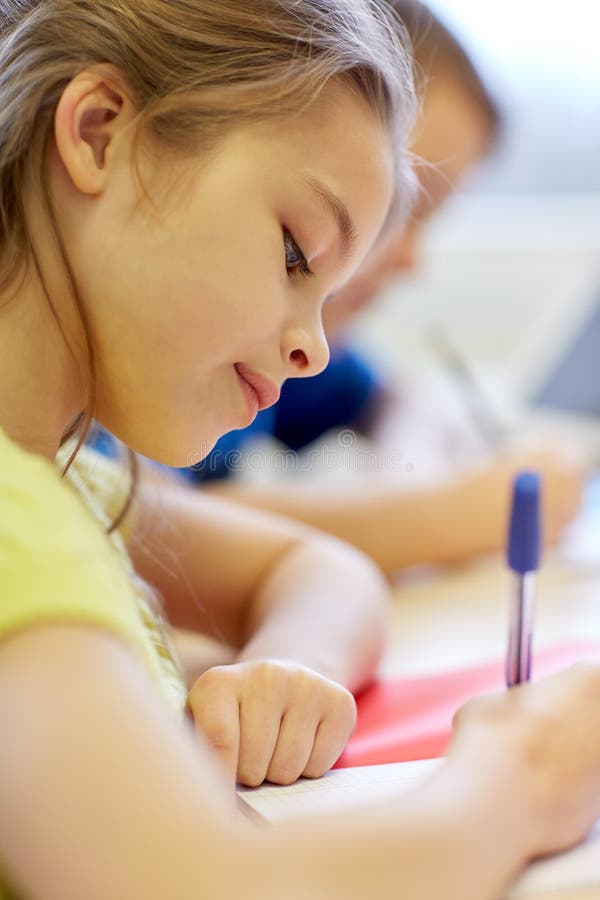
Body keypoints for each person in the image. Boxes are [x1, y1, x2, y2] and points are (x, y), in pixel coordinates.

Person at [1, 3, 600, 900]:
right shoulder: (16, 515)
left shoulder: (77, 481)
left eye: (329, 293)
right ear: (98, 133)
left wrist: (291, 663)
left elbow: (318, 565)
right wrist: (523, 778)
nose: (314, 348)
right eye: (293, 252)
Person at [188, 0, 583, 577]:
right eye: (405, 205)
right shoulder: (193, 334)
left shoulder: (289, 343)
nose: (410, 258)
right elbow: (157, 528)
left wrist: (411, 469)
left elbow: (389, 395)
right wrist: (469, 511)